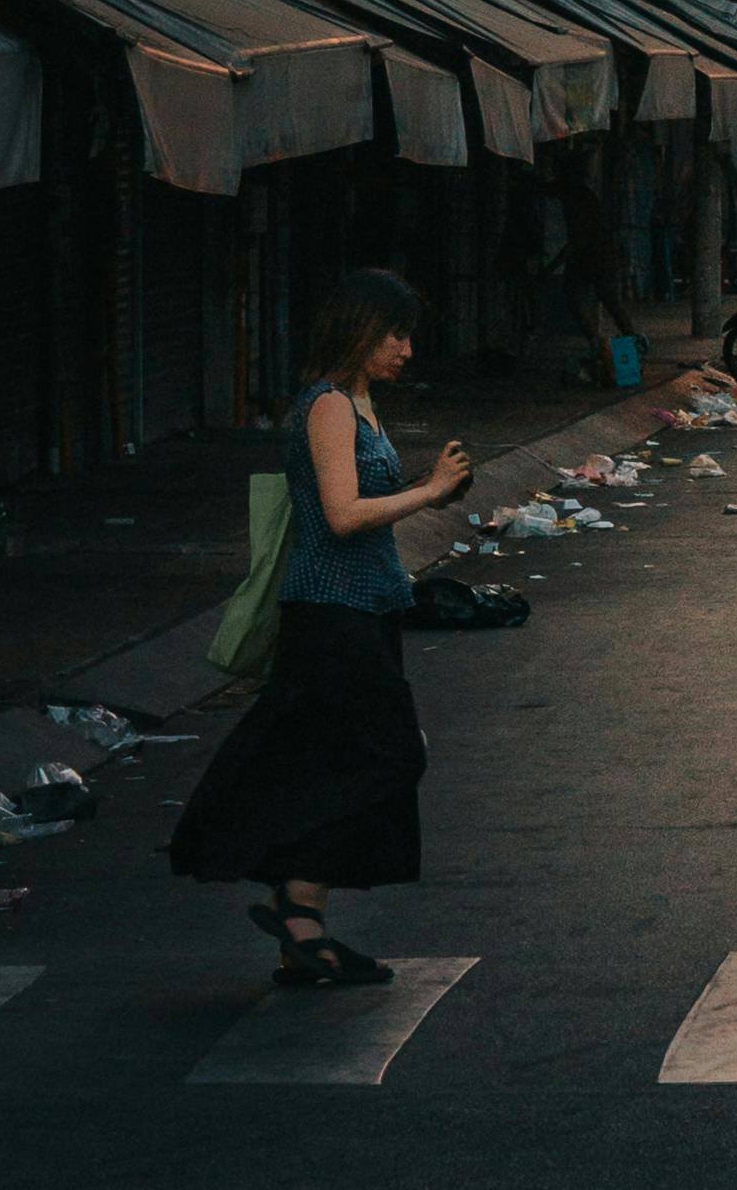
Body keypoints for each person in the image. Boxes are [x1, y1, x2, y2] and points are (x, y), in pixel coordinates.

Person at [170, 269, 471, 989]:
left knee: (326, 757)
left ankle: (302, 938)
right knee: (388, 754)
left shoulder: (361, 402)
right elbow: (339, 515)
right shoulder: (329, 405)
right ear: (359, 330)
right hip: (330, 612)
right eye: (394, 333)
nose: (405, 348)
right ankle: (296, 901)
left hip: (366, 608)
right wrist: (428, 490)